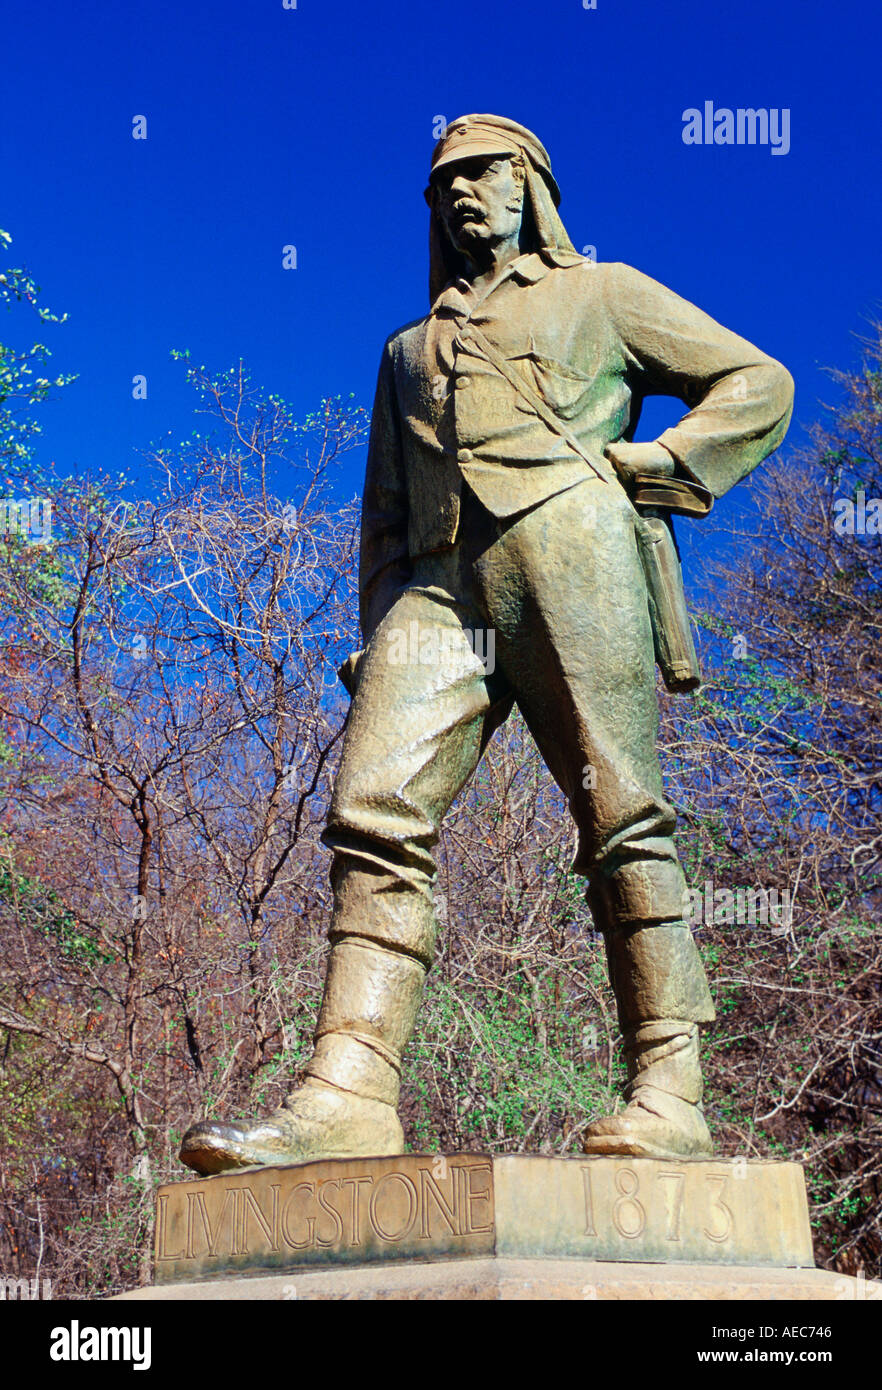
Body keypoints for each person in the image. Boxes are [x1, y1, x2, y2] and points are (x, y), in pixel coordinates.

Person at [180, 114, 793, 1175]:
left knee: (623, 815)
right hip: (437, 585)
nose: (464, 193)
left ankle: (670, 1086)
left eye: (486, 174)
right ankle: (349, 1089)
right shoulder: (405, 351)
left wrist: (654, 465)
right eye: (446, 182)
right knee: (371, 809)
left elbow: (758, 382)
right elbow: (381, 517)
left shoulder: (604, 292)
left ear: (532, 187)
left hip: (574, 549)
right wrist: (380, 631)